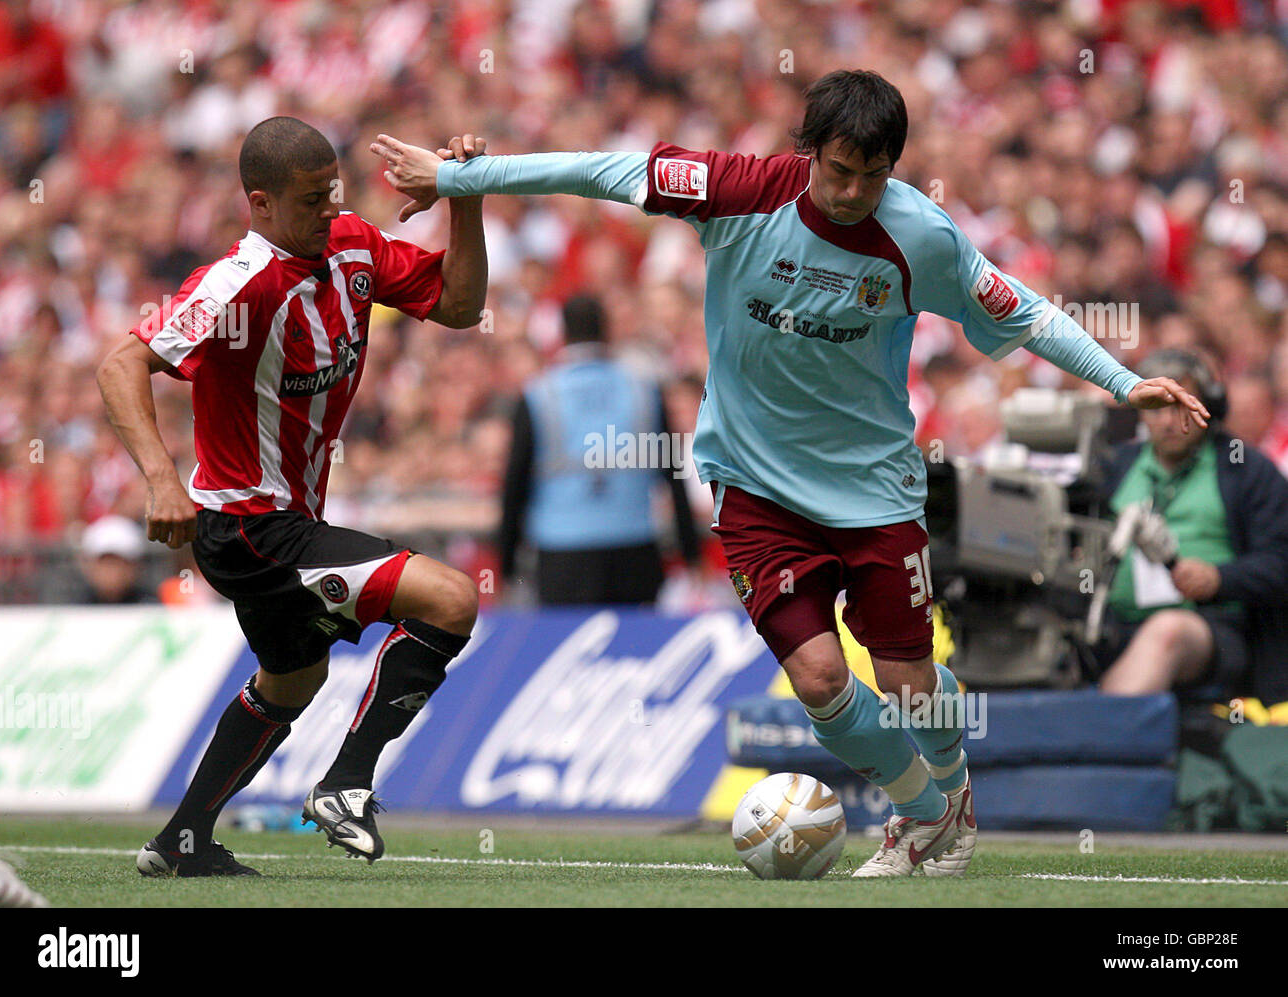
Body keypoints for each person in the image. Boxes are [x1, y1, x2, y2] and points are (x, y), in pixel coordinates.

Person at [370, 69, 1208, 877]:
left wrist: (1125, 380)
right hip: (754, 485)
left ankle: (954, 790)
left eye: (872, 176)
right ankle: (921, 812)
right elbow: (598, 169)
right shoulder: (737, 189)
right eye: (839, 171)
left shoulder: (922, 236)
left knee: (910, 684)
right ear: (810, 151)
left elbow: (1020, 310)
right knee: (818, 677)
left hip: (875, 487)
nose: (852, 191)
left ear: (893, 168)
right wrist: (458, 174)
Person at [97, 116, 487, 877]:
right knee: (451, 599)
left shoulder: (352, 246)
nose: (329, 209)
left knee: (294, 680)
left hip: (286, 522)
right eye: (311, 199)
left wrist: (464, 198)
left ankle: (182, 841)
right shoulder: (234, 286)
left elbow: (462, 306)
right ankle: (346, 783)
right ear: (261, 203)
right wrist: (161, 479)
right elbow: (120, 363)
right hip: (246, 526)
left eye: (334, 191)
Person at [1096, 350, 1288, 704]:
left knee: (1166, 631)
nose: (1168, 422)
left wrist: (1220, 578)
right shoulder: (1114, 466)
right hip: (1112, 625)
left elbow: (1280, 563)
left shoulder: (1244, 467)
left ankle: (1102, 740)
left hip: (1214, 628)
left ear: (1209, 404)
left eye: (1181, 405)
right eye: (1155, 407)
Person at [498, 294, 702, 604]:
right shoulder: (644, 389)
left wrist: (507, 565)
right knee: (635, 649)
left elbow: (515, 484)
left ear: (563, 333)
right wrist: (691, 555)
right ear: (606, 330)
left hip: (562, 553)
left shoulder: (539, 394)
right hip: (635, 548)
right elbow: (673, 476)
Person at [73, 514, 158, 605]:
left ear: (135, 566)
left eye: (119, 562)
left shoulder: (152, 607)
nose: (112, 572)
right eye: (106, 563)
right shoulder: (71, 609)